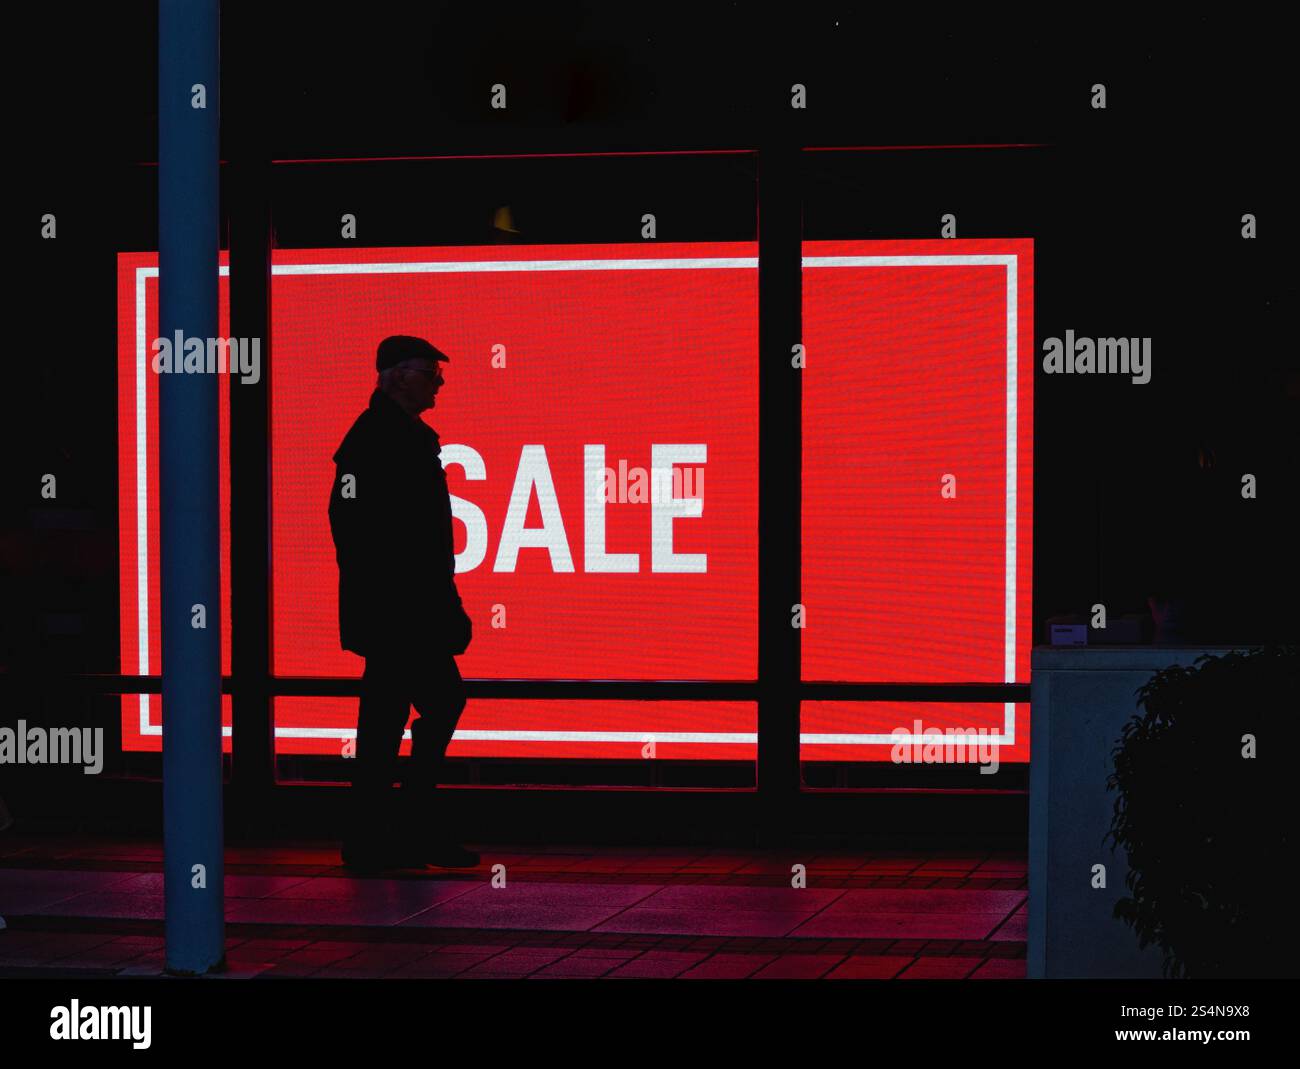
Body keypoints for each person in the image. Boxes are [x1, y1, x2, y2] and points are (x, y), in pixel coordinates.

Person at [328, 335, 478, 871]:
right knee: (438, 703)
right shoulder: (385, 441)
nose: (439, 380)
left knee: (385, 719)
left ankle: (377, 835)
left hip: (392, 613)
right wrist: (440, 605)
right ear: (396, 377)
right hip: (403, 615)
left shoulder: (380, 439)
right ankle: (405, 829)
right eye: (428, 371)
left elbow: (354, 527)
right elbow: (405, 542)